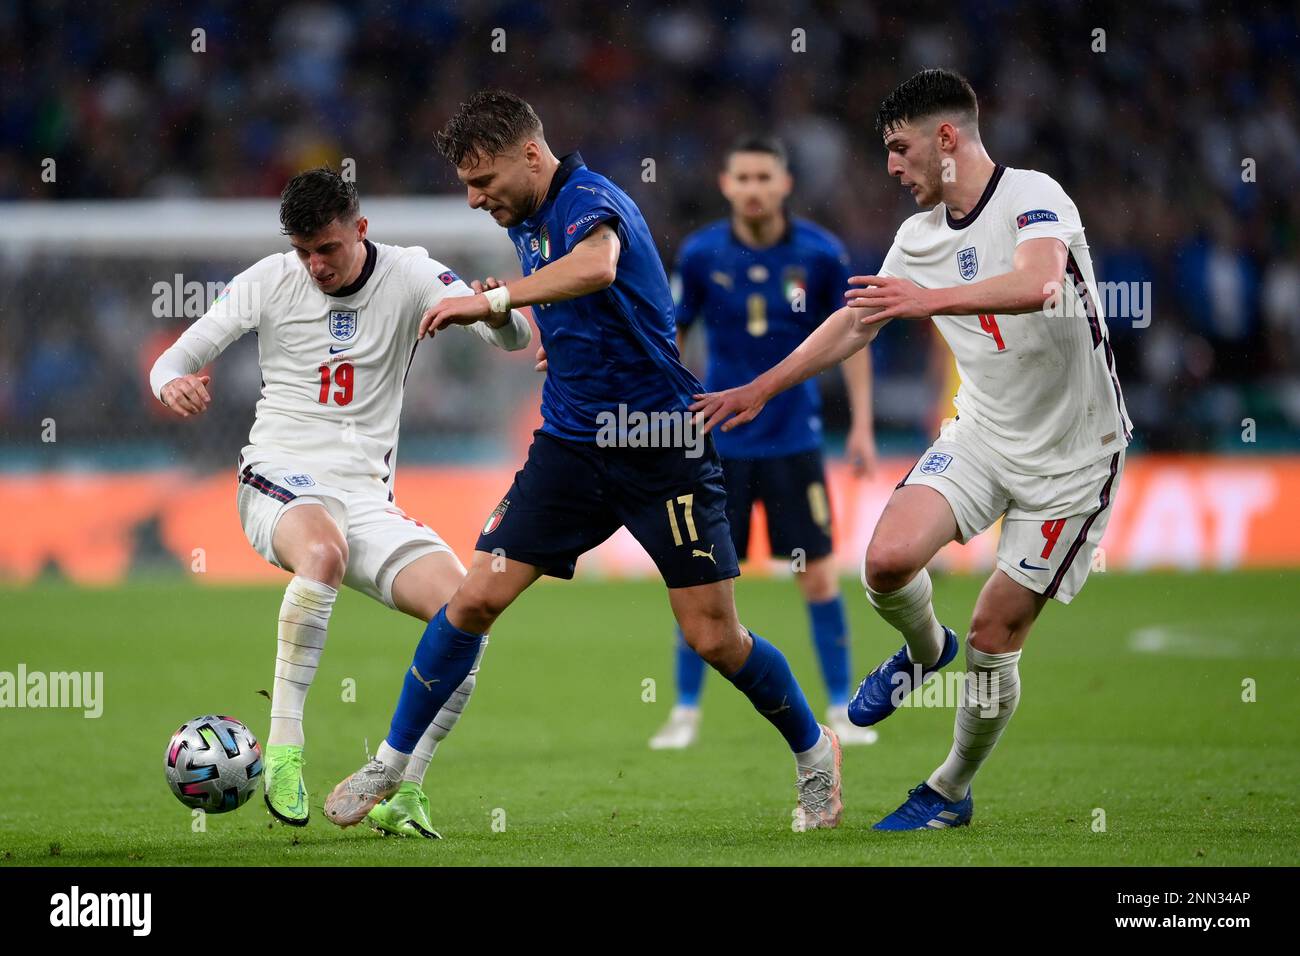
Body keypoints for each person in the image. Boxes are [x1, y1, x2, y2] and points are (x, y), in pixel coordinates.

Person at [324, 90, 843, 834]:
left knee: (714, 638)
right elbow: (591, 297)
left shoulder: (588, 200)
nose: (473, 200)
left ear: (531, 155)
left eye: (482, 181)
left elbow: (597, 266)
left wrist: (494, 300)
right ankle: (391, 760)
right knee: (472, 599)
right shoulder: (530, 214)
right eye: (466, 186)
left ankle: (815, 753)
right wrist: (557, 336)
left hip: (659, 446)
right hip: (569, 449)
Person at [692, 69, 1130, 830]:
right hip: (985, 434)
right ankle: (925, 652)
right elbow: (857, 321)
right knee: (887, 561)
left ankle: (949, 789)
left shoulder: (1034, 196)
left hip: (1074, 459)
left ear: (947, 139)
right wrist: (762, 386)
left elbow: (1038, 283)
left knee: (996, 635)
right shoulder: (917, 237)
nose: (891, 168)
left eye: (900, 149)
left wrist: (927, 300)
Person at [149, 167, 532, 836]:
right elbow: (173, 360)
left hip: (368, 501)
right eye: (303, 251)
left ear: (360, 229)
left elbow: (514, 339)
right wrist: (172, 385)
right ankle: (286, 752)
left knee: (468, 614)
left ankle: (405, 790)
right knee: (323, 552)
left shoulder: (412, 275)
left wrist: (495, 307)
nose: (315, 265)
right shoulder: (270, 280)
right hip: (278, 480)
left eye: (327, 248)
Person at [650, 134, 879, 751]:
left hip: (793, 442)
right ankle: (685, 712)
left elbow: (855, 335)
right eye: (742, 178)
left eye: (763, 178)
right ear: (726, 185)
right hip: (720, 444)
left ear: (785, 184)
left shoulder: (822, 254)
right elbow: (669, 334)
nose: (753, 189)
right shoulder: (700, 256)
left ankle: (842, 707)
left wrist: (860, 424)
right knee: (700, 578)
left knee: (818, 576)